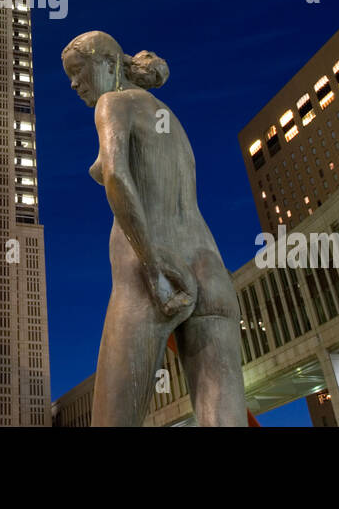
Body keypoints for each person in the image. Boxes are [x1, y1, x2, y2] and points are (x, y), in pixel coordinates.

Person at [62, 30, 246, 426]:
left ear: (109, 64)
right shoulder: (166, 116)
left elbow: (115, 175)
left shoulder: (112, 104)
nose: (75, 84)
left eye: (79, 72)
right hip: (210, 269)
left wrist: (151, 263)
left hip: (151, 272)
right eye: (69, 78)